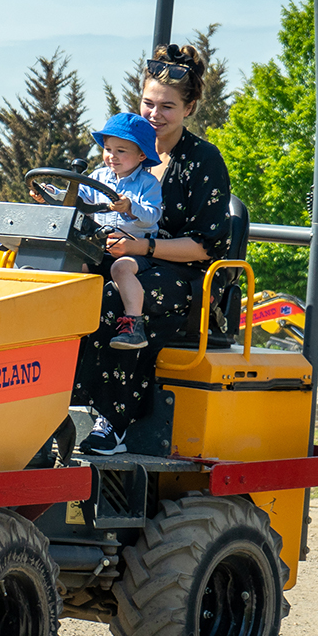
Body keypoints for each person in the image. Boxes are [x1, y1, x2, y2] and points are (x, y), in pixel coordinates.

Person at [74, 44, 232, 455]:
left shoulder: (202, 161)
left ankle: (112, 420)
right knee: (66, 288)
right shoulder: (120, 156)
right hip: (122, 258)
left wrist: (144, 245)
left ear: (190, 107)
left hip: (182, 272)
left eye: (168, 106)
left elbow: (205, 245)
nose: (154, 115)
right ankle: (49, 401)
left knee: (114, 297)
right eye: (148, 103)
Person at [81, 112, 163, 350]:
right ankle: (65, 315)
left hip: (135, 250)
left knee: (121, 268)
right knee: (73, 263)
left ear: (141, 155)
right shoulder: (98, 177)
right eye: (108, 149)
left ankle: (133, 325)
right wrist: (52, 194)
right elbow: (80, 197)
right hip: (100, 247)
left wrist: (130, 207)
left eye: (121, 151)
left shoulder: (148, 184)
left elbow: (152, 214)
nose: (111, 156)